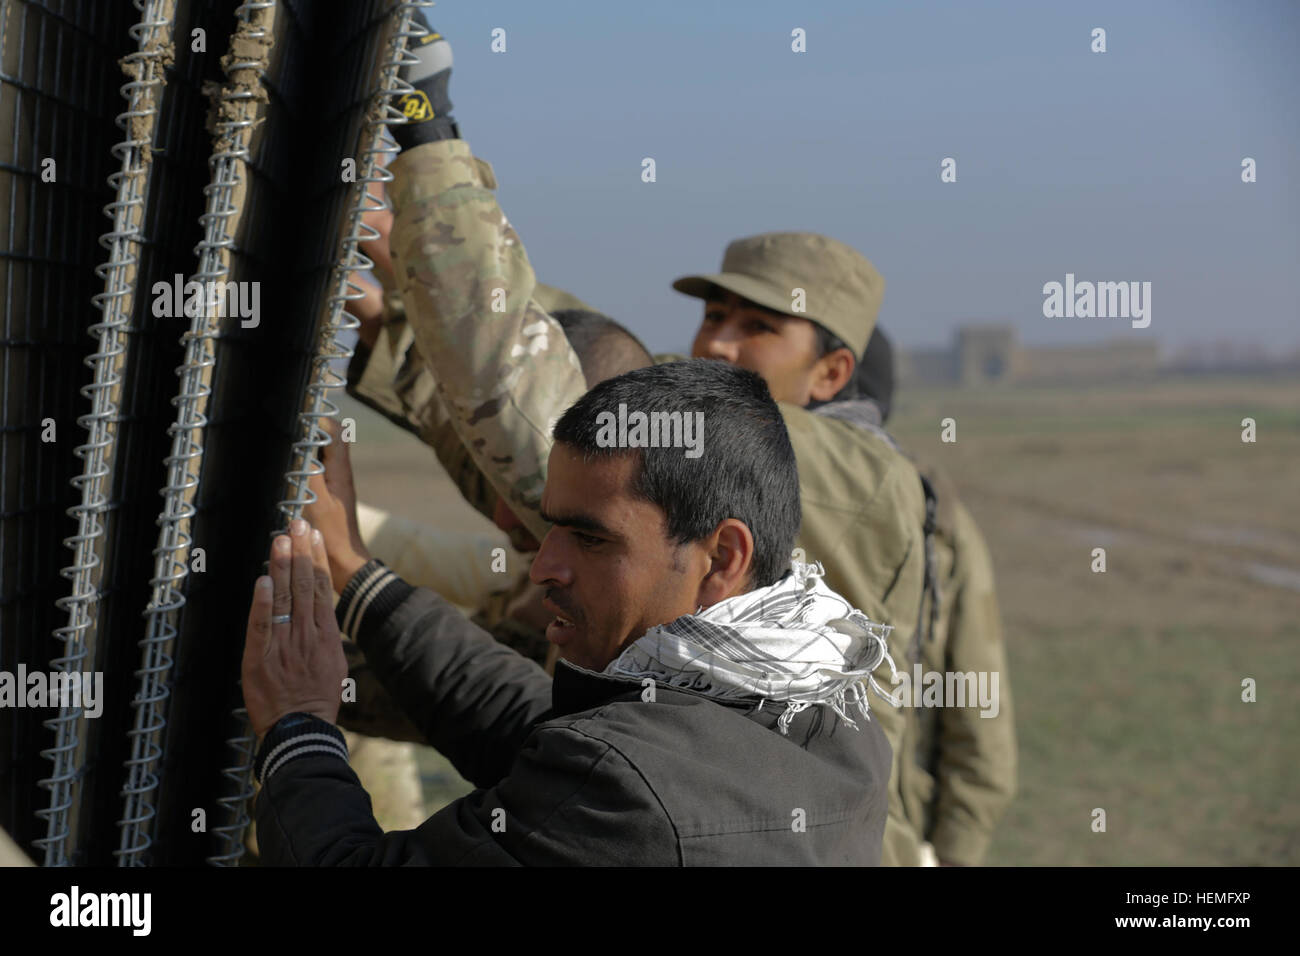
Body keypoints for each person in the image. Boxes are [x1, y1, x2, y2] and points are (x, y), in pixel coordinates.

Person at [346, 15, 934, 865]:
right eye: (713, 314)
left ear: (833, 372)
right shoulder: (694, 631)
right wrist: (407, 312)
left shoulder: (820, 466)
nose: (718, 342)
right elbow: (549, 356)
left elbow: (529, 403)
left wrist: (429, 136)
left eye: (757, 327)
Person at [242, 361, 897, 865]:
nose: (545, 566)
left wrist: (298, 724)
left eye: (590, 538)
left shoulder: (624, 788)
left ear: (721, 555)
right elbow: (533, 723)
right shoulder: (832, 704)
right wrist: (358, 573)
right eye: (551, 529)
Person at [853, 328, 1018, 866]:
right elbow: (980, 725)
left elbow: (974, 705)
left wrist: (950, 853)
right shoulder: (932, 510)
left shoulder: (934, 517)